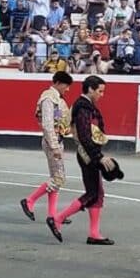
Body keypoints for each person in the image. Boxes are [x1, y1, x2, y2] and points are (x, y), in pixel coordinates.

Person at [46, 75, 121, 244]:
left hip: (88, 153)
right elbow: (86, 136)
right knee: (92, 193)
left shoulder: (84, 105)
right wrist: (99, 157)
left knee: (97, 193)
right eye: (100, 91)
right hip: (89, 155)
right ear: (90, 89)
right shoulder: (83, 108)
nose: (102, 94)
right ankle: (58, 219)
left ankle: (94, 233)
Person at [20, 71, 74, 226]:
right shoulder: (49, 99)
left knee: (55, 177)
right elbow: (47, 124)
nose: (67, 89)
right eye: (66, 85)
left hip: (56, 140)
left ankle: (52, 214)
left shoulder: (56, 98)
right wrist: (55, 146)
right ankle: (30, 200)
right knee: (58, 178)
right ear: (57, 83)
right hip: (53, 142)